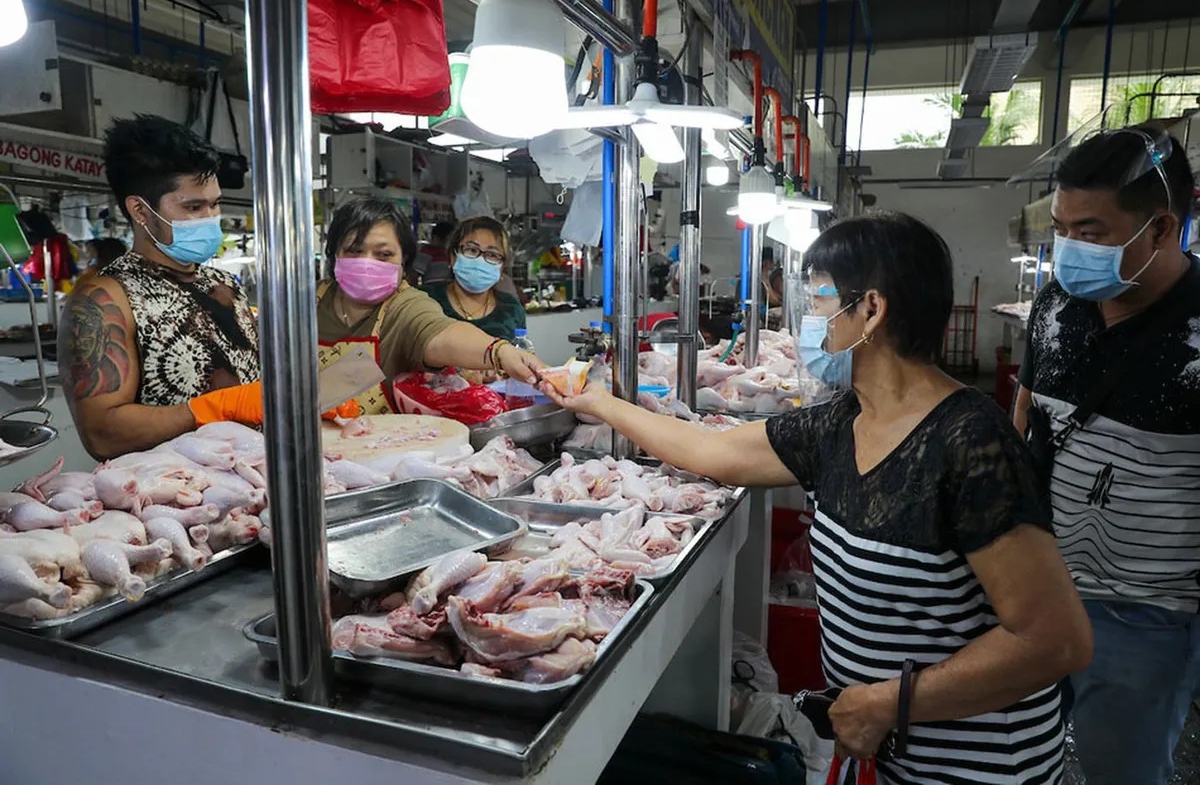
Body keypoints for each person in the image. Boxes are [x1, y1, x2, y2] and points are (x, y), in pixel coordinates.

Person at [546, 212, 1093, 783]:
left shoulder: (971, 442)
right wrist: (596, 400)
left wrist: (889, 703)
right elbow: (711, 451)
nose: (807, 320)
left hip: (983, 768)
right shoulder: (839, 424)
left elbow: (1056, 640)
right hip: (886, 755)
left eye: (819, 300)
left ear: (872, 311)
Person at [1012, 125, 1200, 785]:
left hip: (1147, 612)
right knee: (1020, 758)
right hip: (1035, 588)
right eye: (1062, 229)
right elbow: (1026, 411)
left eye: (1090, 232)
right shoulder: (1057, 306)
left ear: (1160, 228)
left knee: (1119, 770)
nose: (1070, 250)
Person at [59, 115, 263, 460]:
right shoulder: (106, 299)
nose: (210, 218)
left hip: (253, 480)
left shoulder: (224, 285)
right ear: (140, 210)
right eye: (193, 207)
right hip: (169, 496)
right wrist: (213, 409)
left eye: (215, 204)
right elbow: (101, 434)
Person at [318, 199, 542, 413]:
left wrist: (499, 351)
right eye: (354, 251)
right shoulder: (306, 304)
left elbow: (442, 334)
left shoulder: (407, 306)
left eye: (384, 254)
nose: (368, 263)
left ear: (404, 261)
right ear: (334, 253)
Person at [420, 216, 526, 342]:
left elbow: (522, 353)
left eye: (492, 255)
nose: (480, 260)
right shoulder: (425, 300)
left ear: (502, 266)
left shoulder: (512, 308)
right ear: (453, 257)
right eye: (471, 250)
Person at [408, 221, 455, 286]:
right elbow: (414, 275)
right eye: (449, 239)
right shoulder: (426, 252)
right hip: (432, 290)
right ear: (438, 238)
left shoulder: (450, 253)